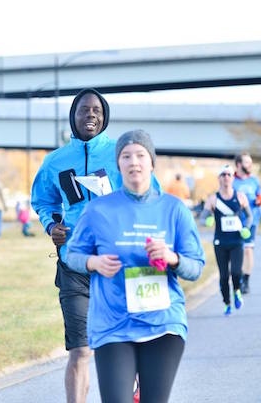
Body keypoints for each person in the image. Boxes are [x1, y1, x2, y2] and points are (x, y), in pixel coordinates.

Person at [67, 129, 205, 403]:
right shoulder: (98, 210)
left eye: (141, 155)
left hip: (162, 324)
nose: (134, 162)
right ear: (118, 164)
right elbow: (72, 255)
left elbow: (196, 267)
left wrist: (172, 258)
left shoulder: (174, 209)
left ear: (152, 162)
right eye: (126, 156)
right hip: (113, 324)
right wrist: (93, 262)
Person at [31, 88, 122, 403]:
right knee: (80, 350)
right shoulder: (55, 161)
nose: (91, 115)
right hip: (74, 266)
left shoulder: (121, 154)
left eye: (97, 110)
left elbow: (145, 194)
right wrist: (51, 225)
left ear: (105, 117)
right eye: (84, 110)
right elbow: (43, 201)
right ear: (73, 116)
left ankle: (133, 387)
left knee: (118, 346)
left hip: (116, 266)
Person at [202, 164, 252, 314]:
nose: (226, 177)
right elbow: (203, 218)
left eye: (229, 175)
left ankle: (237, 290)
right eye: (223, 175)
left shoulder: (240, 197)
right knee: (224, 276)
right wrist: (207, 220)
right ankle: (227, 303)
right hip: (220, 242)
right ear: (219, 178)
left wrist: (246, 228)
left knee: (236, 272)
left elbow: (249, 216)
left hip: (236, 241)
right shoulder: (213, 199)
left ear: (232, 178)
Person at [233, 152, 261, 294]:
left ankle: (246, 280)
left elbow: (259, 195)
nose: (250, 165)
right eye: (247, 162)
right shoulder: (231, 181)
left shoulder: (254, 181)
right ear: (239, 164)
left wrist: (258, 200)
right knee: (236, 250)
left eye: (250, 162)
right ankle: (237, 275)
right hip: (234, 222)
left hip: (251, 220)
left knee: (248, 250)